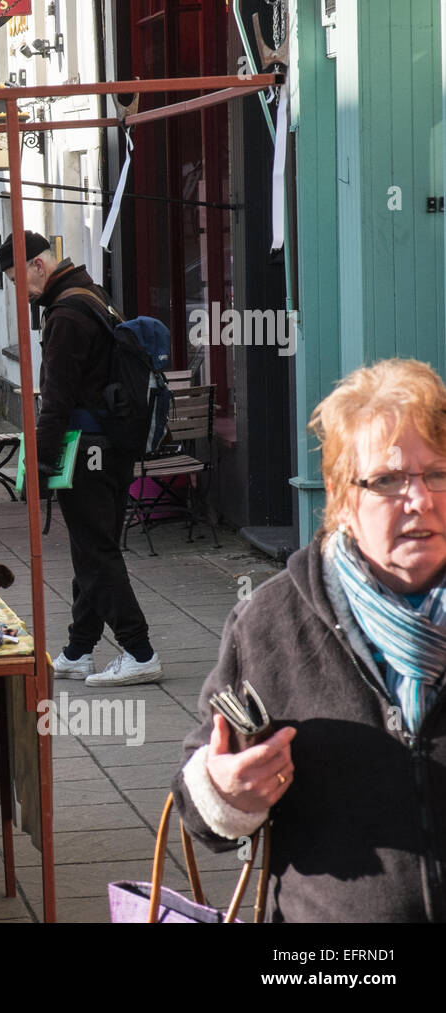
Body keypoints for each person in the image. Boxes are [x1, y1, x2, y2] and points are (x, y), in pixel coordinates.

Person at [173, 358, 446, 921]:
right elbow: (199, 808)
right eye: (389, 480)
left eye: (438, 473)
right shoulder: (270, 622)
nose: (420, 500)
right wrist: (225, 794)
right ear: (343, 500)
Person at [0, 230, 161, 687]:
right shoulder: (93, 294)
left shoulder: (65, 315)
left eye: (15, 278)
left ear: (38, 266)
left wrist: (37, 466)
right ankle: (77, 651)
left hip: (85, 448)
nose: (16, 288)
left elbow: (56, 400)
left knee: (96, 554)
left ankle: (139, 650)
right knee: (94, 548)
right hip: (113, 446)